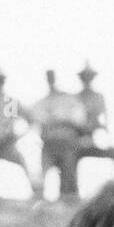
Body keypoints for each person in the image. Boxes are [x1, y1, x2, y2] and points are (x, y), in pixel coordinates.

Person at [31, 70, 86, 198]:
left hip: (68, 144)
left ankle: (68, 199)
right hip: (49, 145)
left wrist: (56, 118)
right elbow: (38, 118)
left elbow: (78, 119)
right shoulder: (42, 101)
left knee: (69, 179)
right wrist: (61, 118)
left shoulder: (70, 99)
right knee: (41, 177)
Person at [0, 68, 35, 189]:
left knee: (23, 163)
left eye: (1, 80)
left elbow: (31, 120)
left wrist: (19, 135)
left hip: (7, 145)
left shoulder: (10, 102)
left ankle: (35, 192)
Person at [73, 62, 114, 173]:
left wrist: (101, 131)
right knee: (70, 157)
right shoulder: (76, 98)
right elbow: (75, 120)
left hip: (97, 135)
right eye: (85, 78)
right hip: (80, 136)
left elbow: (104, 119)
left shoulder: (99, 97)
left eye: (89, 78)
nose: (87, 81)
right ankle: (73, 189)